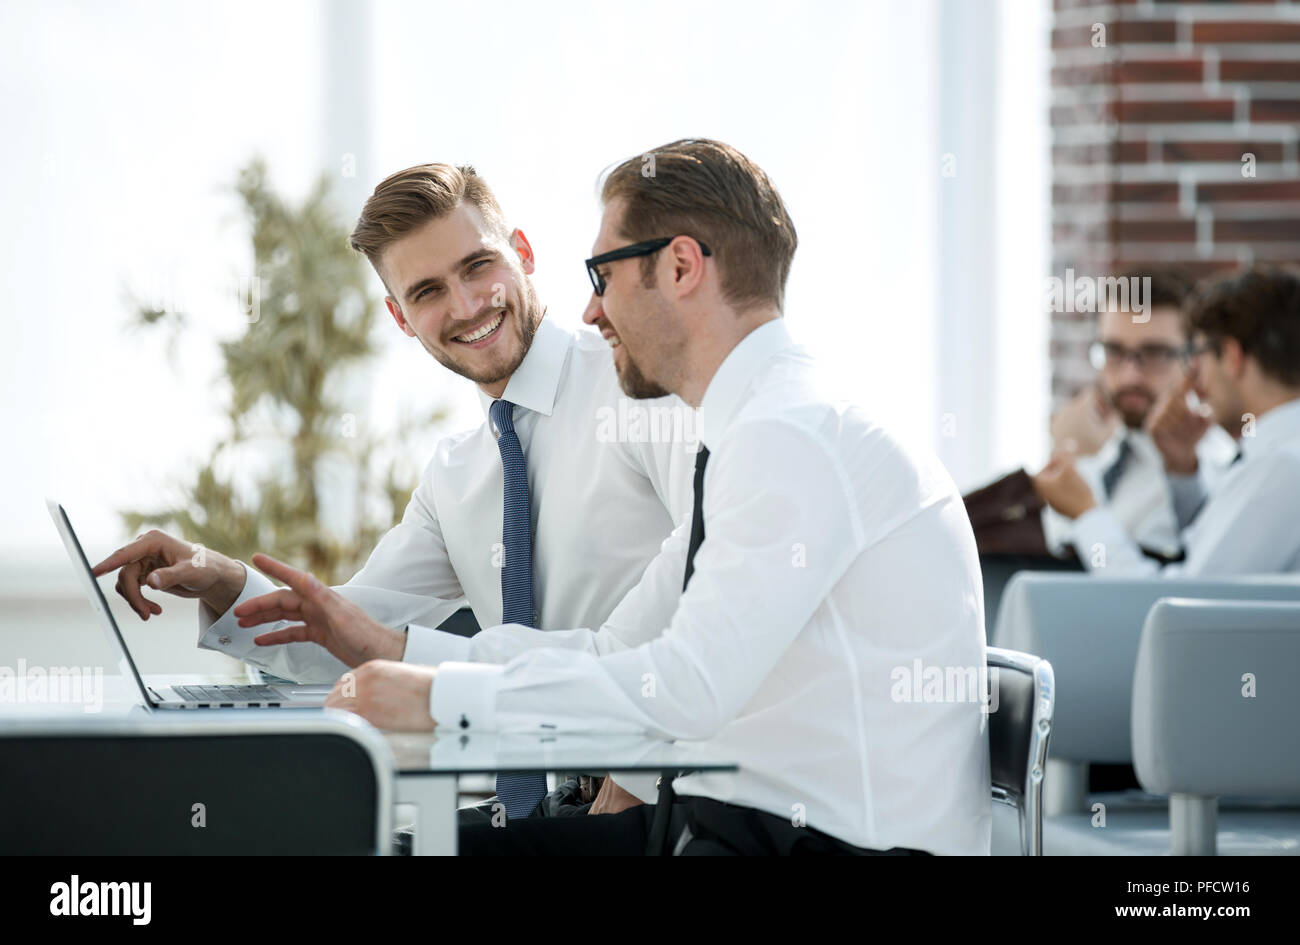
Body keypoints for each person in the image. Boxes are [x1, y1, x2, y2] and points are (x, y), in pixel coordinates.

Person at [245, 139, 993, 855]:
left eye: (603, 273)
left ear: (680, 268)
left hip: (814, 845)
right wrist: (426, 677)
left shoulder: (788, 435)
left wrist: (443, 702)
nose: (592, 311)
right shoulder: (753, 431)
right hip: (734, 826)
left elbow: (687, 689)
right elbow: (614, 651)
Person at [91, 162, 695, 820]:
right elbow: (343, 631)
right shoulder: (456, 477)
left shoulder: (635, 385)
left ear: (522, 252)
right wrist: (218, 577)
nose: (465, 306)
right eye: (428, 291)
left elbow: (714, 578)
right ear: (400, 316)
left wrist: (641, 766)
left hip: (670, 788)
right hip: (562, 802)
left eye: (477, 266)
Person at [1034, 266, 1300, 575]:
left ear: (1230, 356)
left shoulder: (1266, 468)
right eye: (1114, 352)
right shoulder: (1092, 464)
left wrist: (1086, 515)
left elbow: (1182, 607)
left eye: (1156, 353)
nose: (1130, 375)